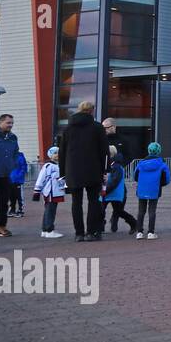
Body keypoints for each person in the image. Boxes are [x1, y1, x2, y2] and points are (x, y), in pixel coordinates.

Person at [59, 101, 109, 242]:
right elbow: (104, 151)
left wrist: (63, 172)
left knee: (76, 202)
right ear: (92, 111)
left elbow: (62, 152)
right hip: (93, 169)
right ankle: (91, 232)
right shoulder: (97, 127)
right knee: (94, 201)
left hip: (73, 171)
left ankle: (79, 233)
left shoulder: (68, 128)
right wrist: (106, 169)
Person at [133, 143, 170, 239]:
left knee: (141, 211)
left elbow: (135, 177)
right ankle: (151, 232)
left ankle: (139, 232)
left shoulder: (140, 163)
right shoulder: (162, 164)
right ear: (159, 151)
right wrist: (160, 184)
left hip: (142, 189)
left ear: (148, 150)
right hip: (155, 189)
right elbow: (166, 179)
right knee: (152, 211)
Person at [101, 146, 140, 234]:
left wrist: (105, 190)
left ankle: (134, 223)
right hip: (108, 191)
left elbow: (115, 181)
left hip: (115, 192)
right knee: (101, 209)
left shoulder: (117, 166)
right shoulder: (108, 164)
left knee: (118, 211)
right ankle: (101, 226)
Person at [32, 147, 66, 238]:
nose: (57, 155)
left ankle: (45, 230)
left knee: (49, 210)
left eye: (59, 152)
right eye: (55, 153)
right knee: (50, 211)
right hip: (50, 192)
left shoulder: (60, 165)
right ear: (50, 155)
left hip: (57, 192)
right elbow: (41, 178)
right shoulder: (48, 166)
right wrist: (37, 191)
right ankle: (49, 230)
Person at [0, 114, 19, 237]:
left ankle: (0, 226)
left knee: (3, 201)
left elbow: (15, 152)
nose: (10, 125)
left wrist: (13, 165)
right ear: (0, 122)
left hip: (5, 174)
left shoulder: (12, 137)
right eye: (8, 123)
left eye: (12, 123)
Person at [10, 150, 28, 217]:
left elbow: (24, 167)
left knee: (20, 196)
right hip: (10, 180)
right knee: (11, 196)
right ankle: (12, 210)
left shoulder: (20, 156)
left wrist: (20, 175)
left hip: (18, 181)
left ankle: (21, 210)